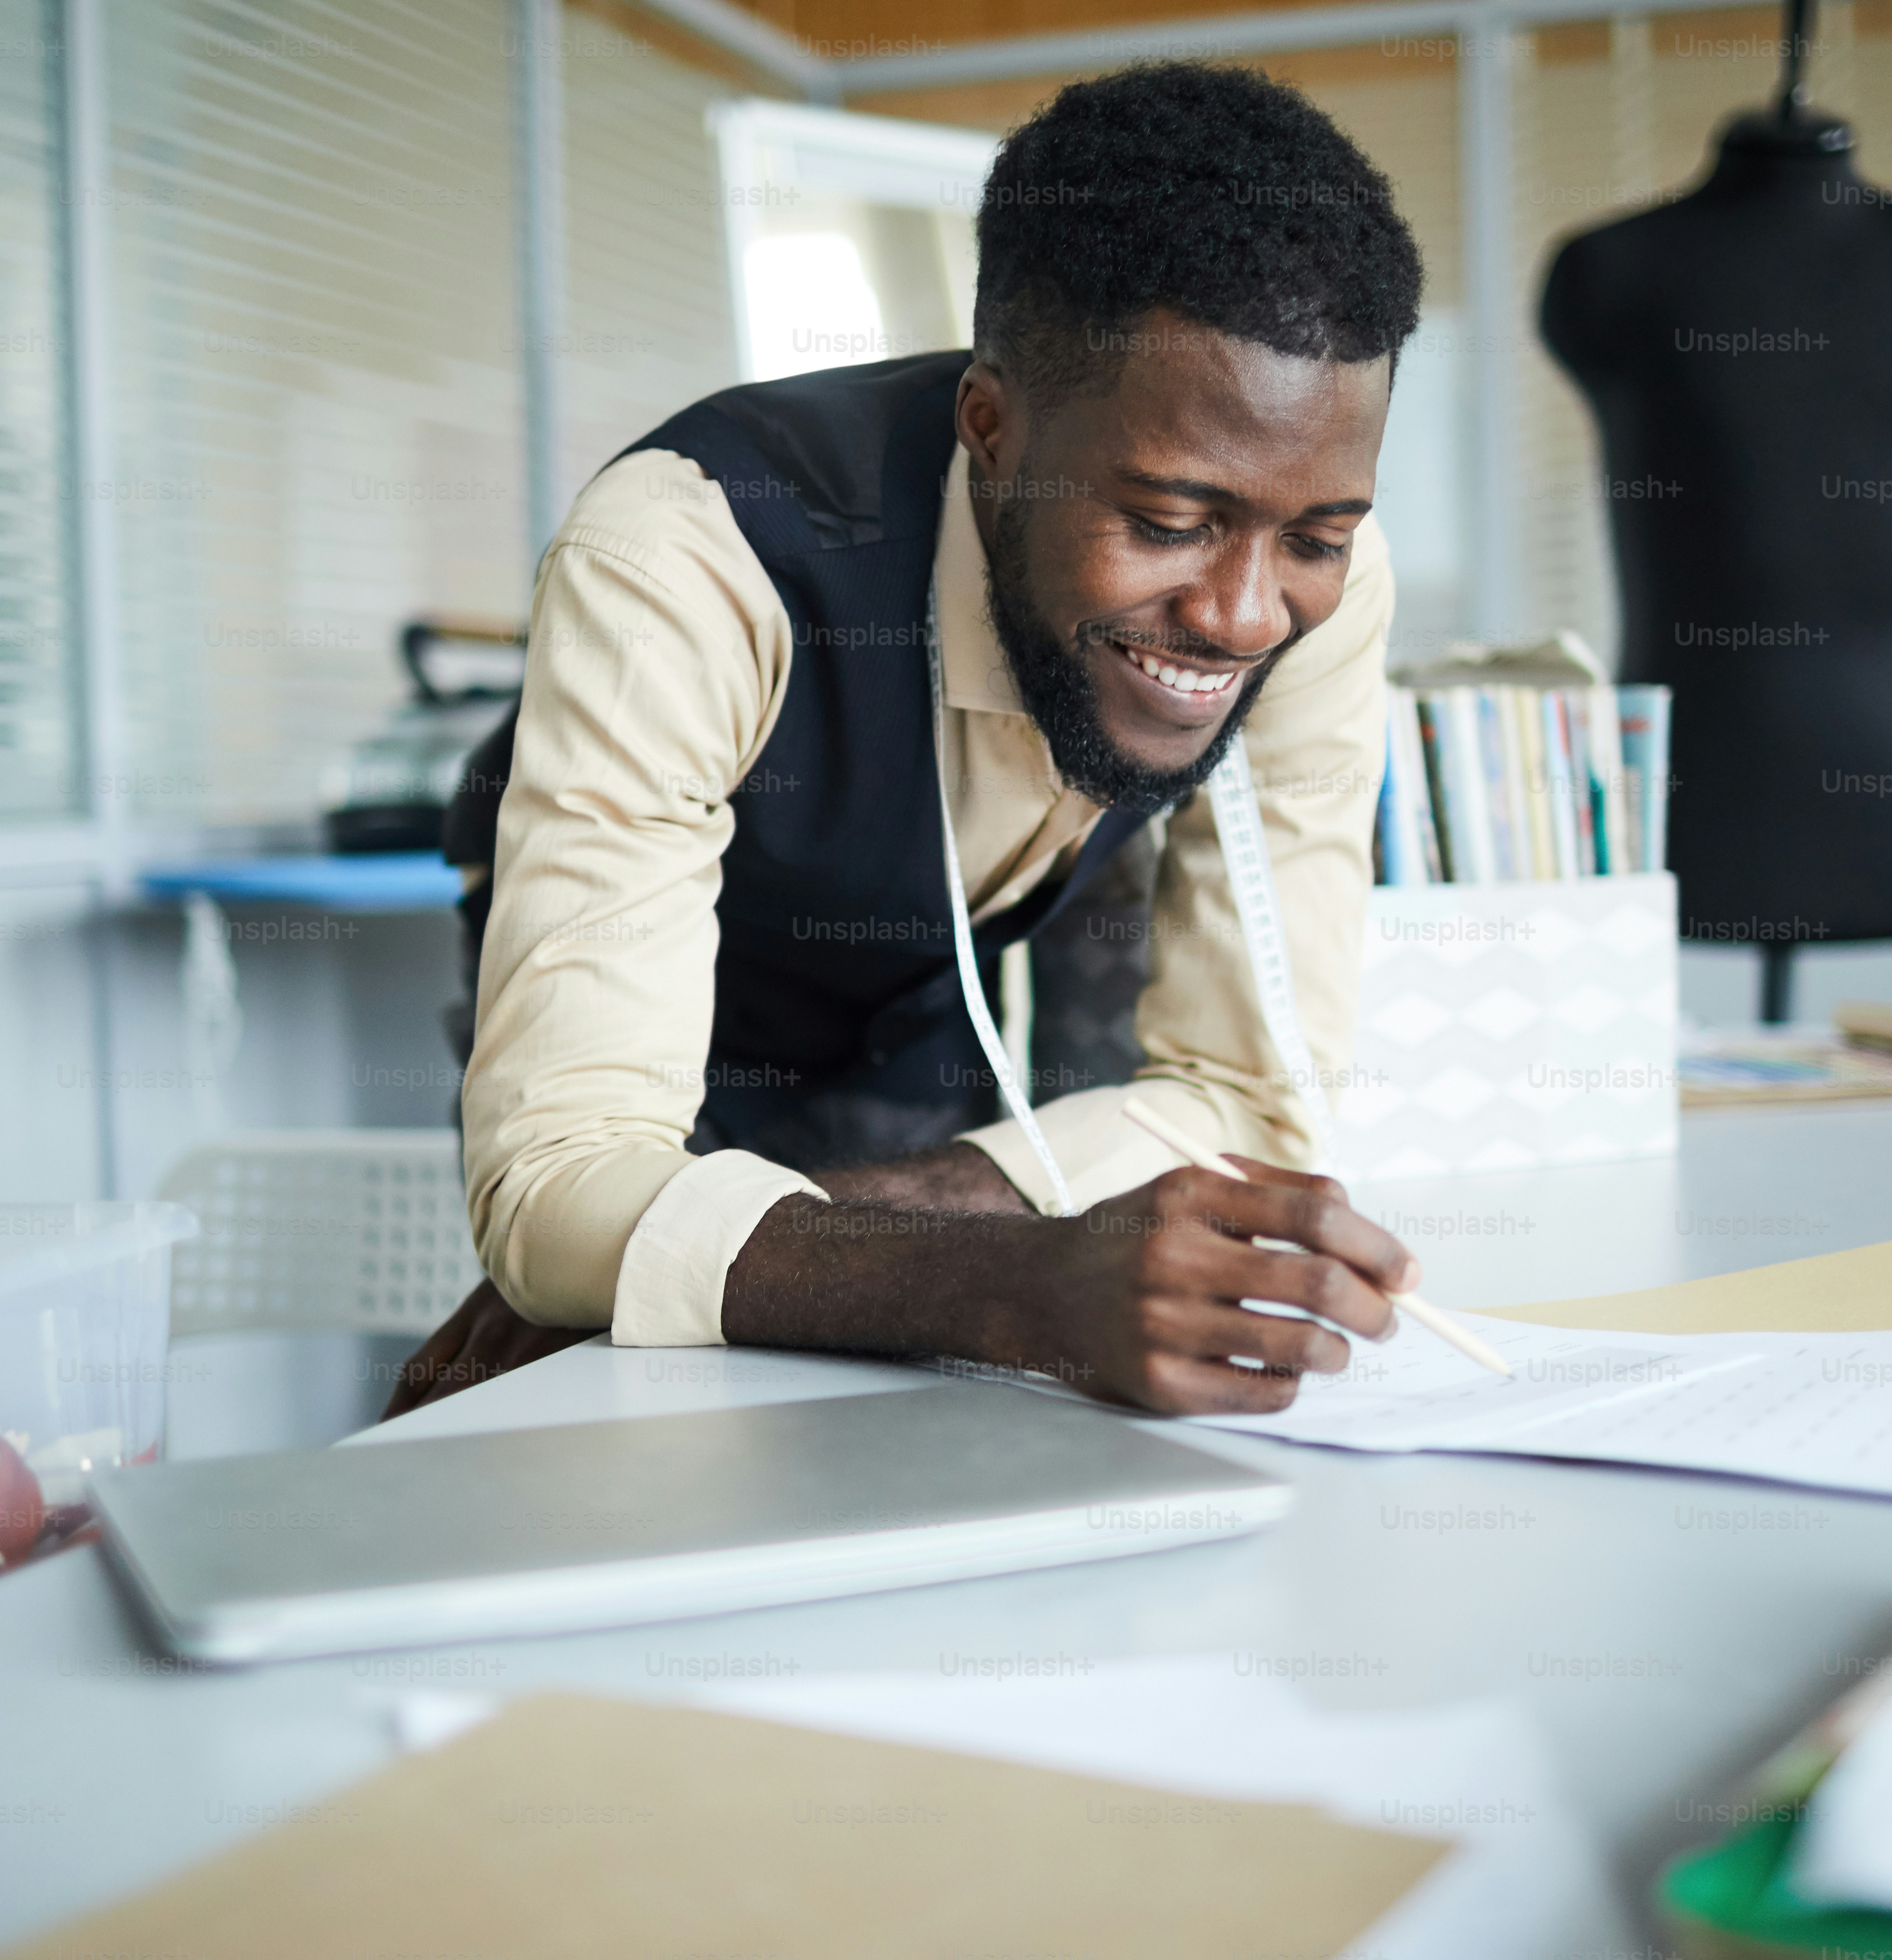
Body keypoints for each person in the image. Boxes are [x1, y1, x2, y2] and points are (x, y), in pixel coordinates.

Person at [388, 63, 1425, 1422]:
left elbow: (1249, 1099)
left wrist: (786, 1251)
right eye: (1168, 524)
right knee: (626, 1428)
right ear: (990, 429)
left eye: (1317, 538)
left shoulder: (1311, 582)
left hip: (930, 972)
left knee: (870, 1419)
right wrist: (1017, 1281)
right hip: (681, 982)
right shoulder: (685, 555)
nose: (1242, 616)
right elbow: (562, 1190)